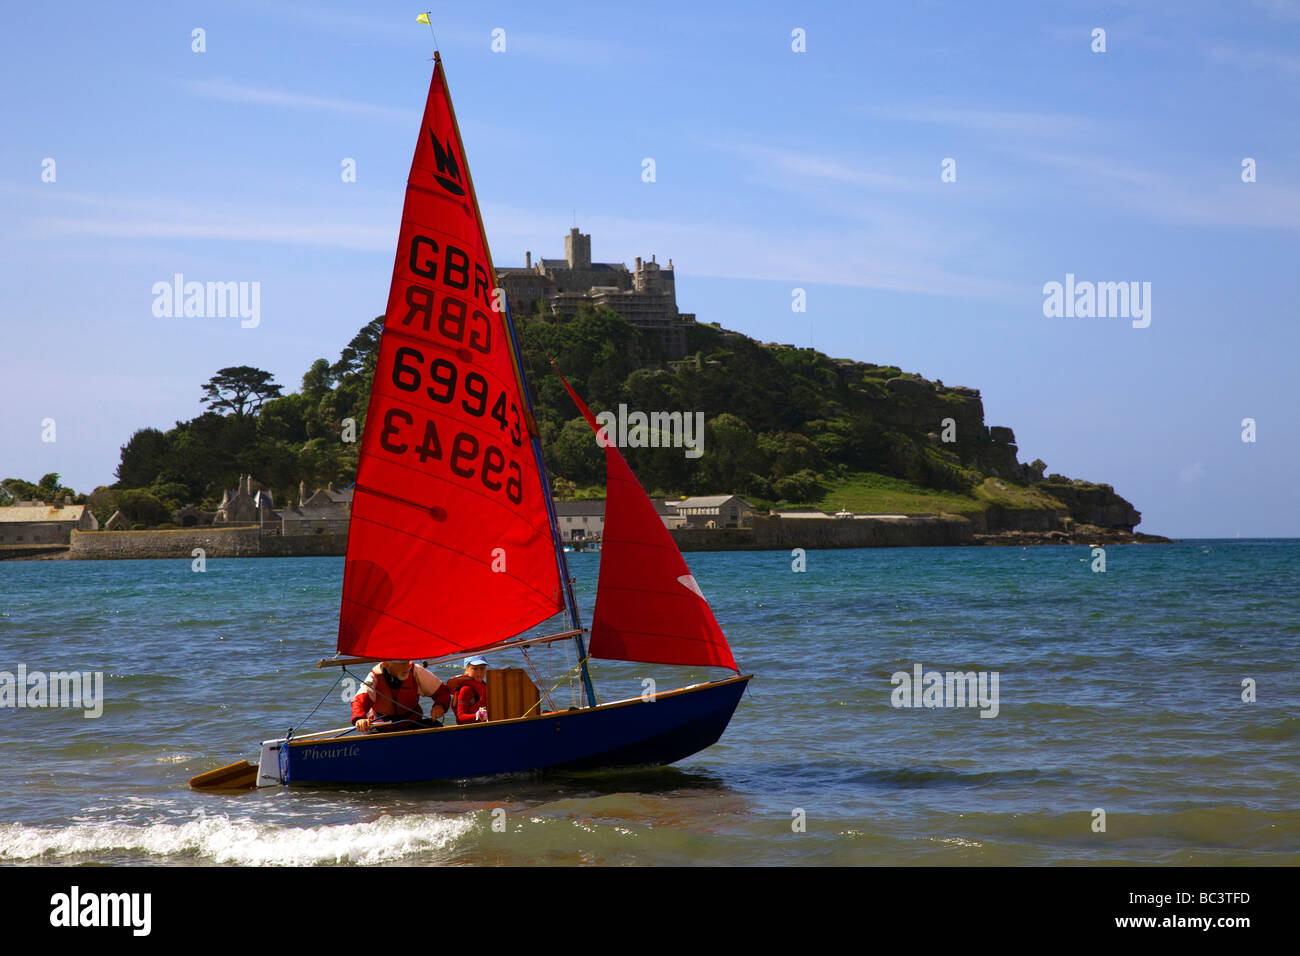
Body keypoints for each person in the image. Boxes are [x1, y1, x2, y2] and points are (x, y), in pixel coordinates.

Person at [351, 659, 450, 734]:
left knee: (437, 728)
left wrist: (440, 705)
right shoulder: (374, 677)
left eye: (408, 661)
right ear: (386, 664)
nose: (407, 665)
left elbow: (442, 690)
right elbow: (359, 701)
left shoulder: (415, 671)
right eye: (402, 662)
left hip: (412, 727)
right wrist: (359, 719)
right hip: (382, 730)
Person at [446, 656, 489, 724]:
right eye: (475, 669)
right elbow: (460, 718)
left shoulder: (484, 685)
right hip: (469, 730)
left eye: (482, 668)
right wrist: (477, 715)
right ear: (466, 670)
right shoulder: (466, 690)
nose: (479, 672)